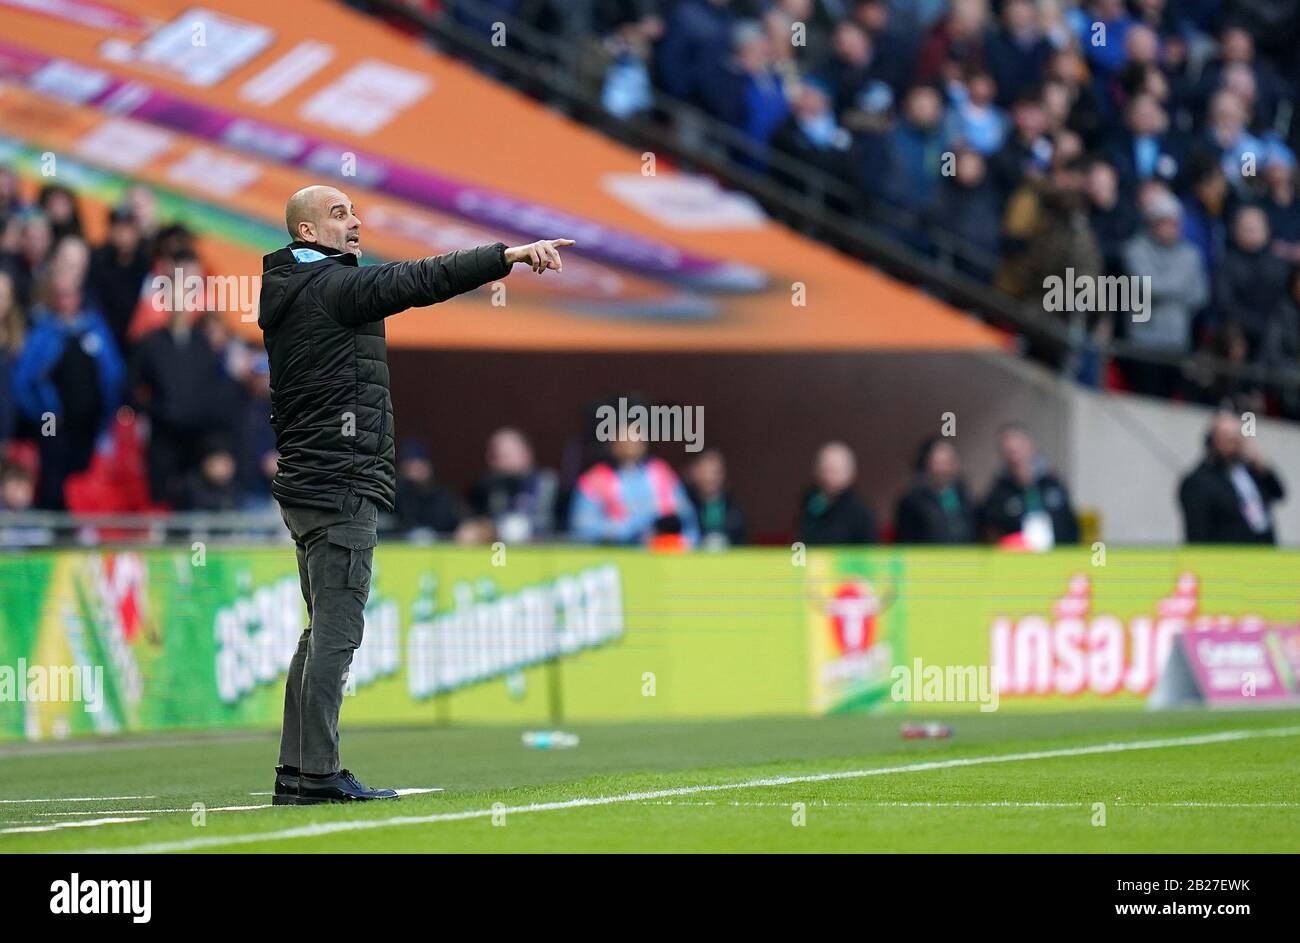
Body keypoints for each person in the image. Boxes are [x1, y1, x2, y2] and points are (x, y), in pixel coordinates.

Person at [261, 184, 572, 804]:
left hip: (307, 483)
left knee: (318, 631)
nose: (355, 222)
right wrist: (506, 256)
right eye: (338, 214)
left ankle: (297, 771)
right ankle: (317, 775)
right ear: (306, 233)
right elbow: (418, 279)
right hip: (341, 480)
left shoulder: (287, 290)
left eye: (353, 210)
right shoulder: (333, 287)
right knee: (336, 634)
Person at [568, 420, 699, 547]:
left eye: (636, 436)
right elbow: (581, 527)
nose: (631, 442)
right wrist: (627, 528)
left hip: (659, 554)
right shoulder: (595, 479)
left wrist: (680, 538)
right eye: (624, 437)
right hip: (614, 554)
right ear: (611, 442)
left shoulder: (661, 472)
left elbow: (687, 519)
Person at [1178, 412, 1285, 544]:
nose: (1234, 444)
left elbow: (1279, 493)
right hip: (1230, 558)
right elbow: (1197, 537)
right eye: (1228, 438)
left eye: (1238, 438)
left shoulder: (1249, 470)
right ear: (1213, 441)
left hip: (1265, 553)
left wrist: (1260, 463)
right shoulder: (1198, 482)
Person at [979, 423, 1079, 546]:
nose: (1016, 457)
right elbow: (990, 532)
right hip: (1017, 560)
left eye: (1019, 448)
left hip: (1058, 557)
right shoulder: (998, 493)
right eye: (1010, 452)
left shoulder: (1053, 484)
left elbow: (1070, 524)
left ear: (1031, 446)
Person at [466, 428, 558, 542]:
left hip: (542, 550)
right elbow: (481, 519)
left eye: (506, 455)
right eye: (495, 457)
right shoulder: (487, 486)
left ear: (525, 454)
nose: (496, 462)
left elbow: (552, 523)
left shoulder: (546, 482)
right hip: (499, 551)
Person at [893, 436, 977, 543]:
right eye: (939, 462)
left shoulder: (965, 497)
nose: (945, 468)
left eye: (949, 462)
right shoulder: (912, 502)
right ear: (926, 464)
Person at [798, 441, 876, 545]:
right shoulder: (810, 505)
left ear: (850, 473)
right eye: (825, 470)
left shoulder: (861, 513)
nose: (828, 477)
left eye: (835, 471)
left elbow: (870, 552)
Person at [684, 448, 746, 547]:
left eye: (715, 472)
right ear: (694, 472)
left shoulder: (735, 512)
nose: (710, 477)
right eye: (705, 471)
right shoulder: (684, 507)